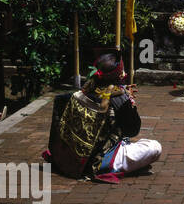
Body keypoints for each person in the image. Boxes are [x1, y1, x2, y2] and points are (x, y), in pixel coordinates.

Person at [43, 49, 161, 182]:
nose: (125, 73)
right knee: (154, 147)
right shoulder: (119, 100)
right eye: (122, 72)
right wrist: (130, 104)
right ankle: (113, 166)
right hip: (98, 162)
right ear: (119, 76)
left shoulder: (81, 92)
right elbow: (133, 130)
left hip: (69, 158)